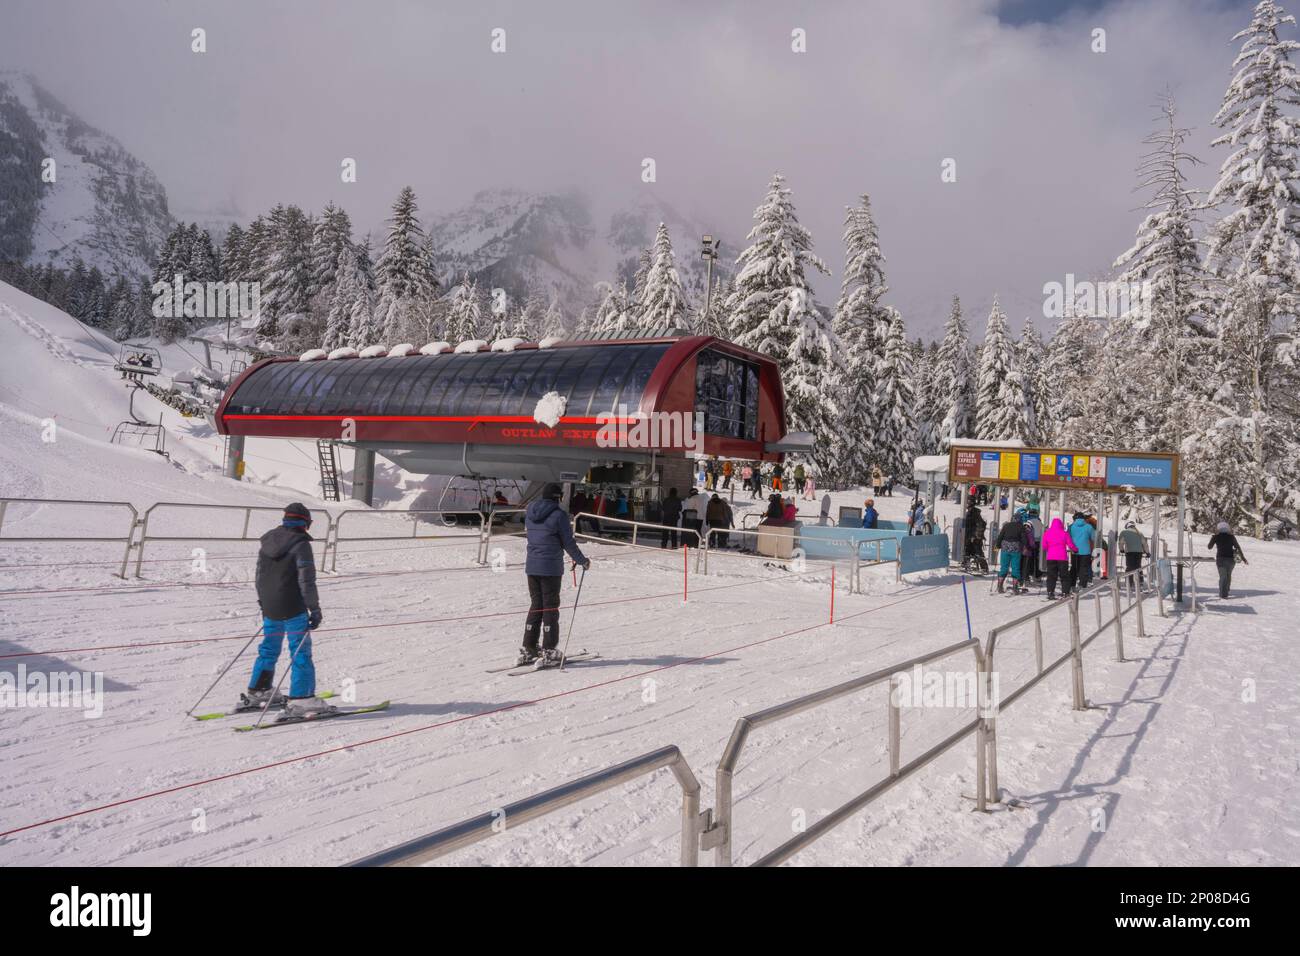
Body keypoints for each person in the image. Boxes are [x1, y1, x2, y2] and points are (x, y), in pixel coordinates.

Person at [246, 502, 330, 716]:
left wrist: (264, 603)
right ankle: (303, 699)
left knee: (269, 647)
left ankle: (260, 690)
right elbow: (306, 581)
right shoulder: (301, 544)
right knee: (300, 651)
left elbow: (259, 576)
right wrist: (315, 609)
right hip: (293, 606)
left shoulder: (267, 542)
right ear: (305, 523)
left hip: (271, 605)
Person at [519, 484, 590, 667]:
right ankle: (549, 649)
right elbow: (568, 542)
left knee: (536, 605)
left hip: (532, 566)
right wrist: (582, 560)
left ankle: (529, 647)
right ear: (558, 497)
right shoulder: (559, 516)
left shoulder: (530, 513)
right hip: (550, 567)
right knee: (550, 607)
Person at [1207, 521, 1248, 598]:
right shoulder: (1231, 537)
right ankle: (1226, 590)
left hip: (1221, 559)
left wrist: (1213, 537)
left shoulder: (1216, 537)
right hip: (1231, 560)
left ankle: (1223, 593)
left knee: (1223, 576)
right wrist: (1243, 558)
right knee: (1228, 575)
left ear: (1218, 528)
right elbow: (1238, 547)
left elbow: (1209, 547)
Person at [996, 509, 1031, 593]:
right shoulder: (1021, 527)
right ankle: (1015, 587)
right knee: (1015, 567)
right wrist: (1026, 547)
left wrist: (997, 546)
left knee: (1004, 567)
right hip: (1016, 549)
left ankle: (1000, 586)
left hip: (1005, 548)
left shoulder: (1006, 526)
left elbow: (1000, 536)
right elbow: (1024, 539)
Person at [1040, 516, 1076, 599]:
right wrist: (1075, 549)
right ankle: (1065, 592)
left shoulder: (1047, 533)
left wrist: (1049, 549)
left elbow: (1044, 546)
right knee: (1064, 576)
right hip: (1062, 558)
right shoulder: (1064, 533)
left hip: (1051, 558)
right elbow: (1070, 544)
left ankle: (1050, 592)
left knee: (1051, 576)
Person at [1067, 512, 1097, 590]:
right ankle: (1082, 584)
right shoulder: (1089, 527)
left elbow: (1068, 537)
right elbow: (1093, 538)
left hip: (1074, 551)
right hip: (1086, 551)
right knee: (1083, 568)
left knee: (1074, 567)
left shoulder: (1071, 526)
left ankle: (1072, 584)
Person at [963, 504, 988, 573]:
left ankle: (984, 567)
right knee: (968, 550)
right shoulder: (971, 515)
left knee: (977, 552)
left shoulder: (975, 515)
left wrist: (975, 536)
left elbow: (979, 527)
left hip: (974, 538)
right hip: (970, 536)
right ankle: (967, 564)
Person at [1024, 504, 1045, 582]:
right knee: (1037, 559)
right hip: (1038, 543)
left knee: (1029, 558)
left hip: (1030, 543)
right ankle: (1037, 575)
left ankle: (1028, 573)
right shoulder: (1040, 522)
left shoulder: (1028, 522)